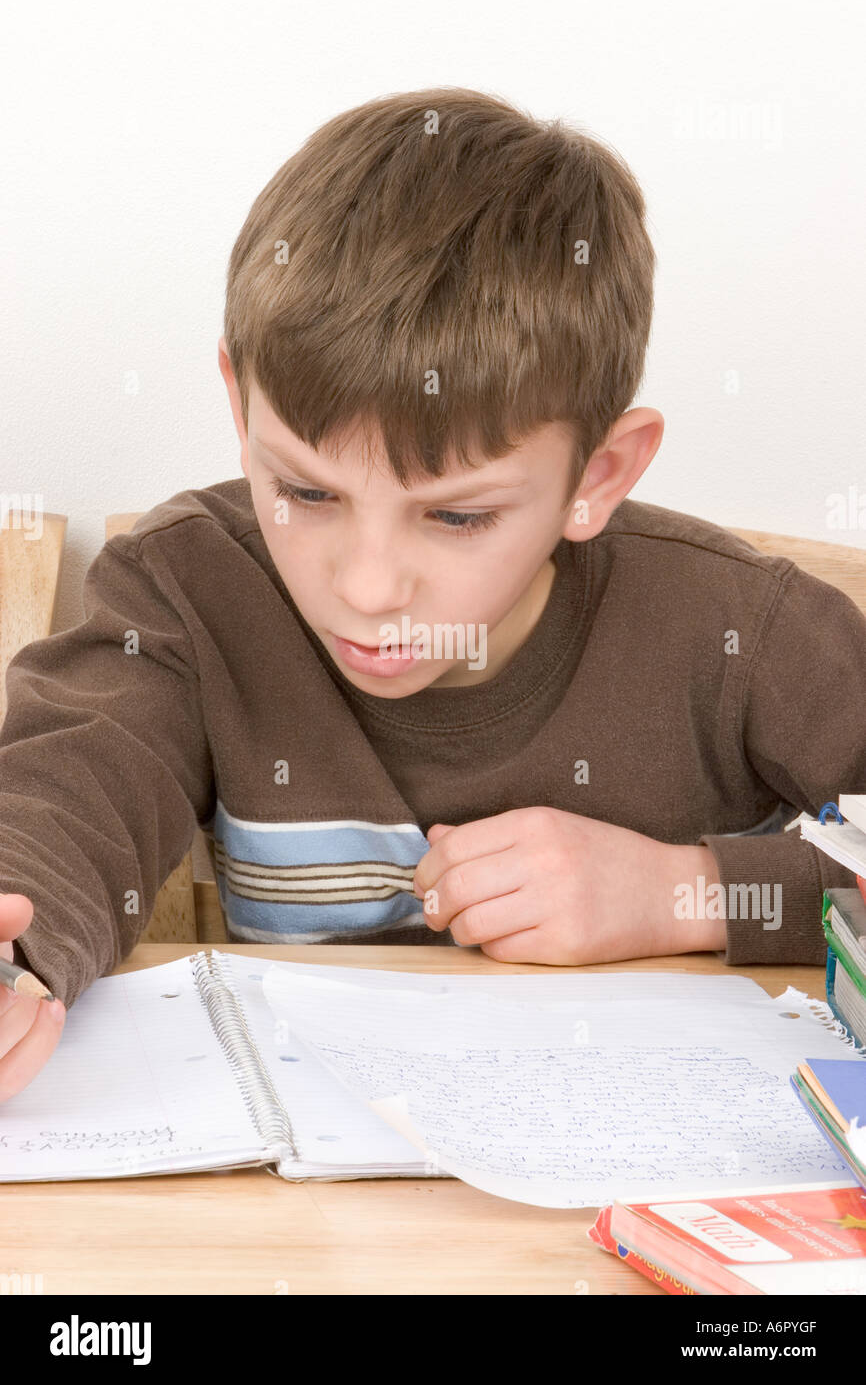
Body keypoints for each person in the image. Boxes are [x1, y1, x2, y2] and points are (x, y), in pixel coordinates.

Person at [2, 86, 865, 1100]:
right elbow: (72, 797)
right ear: (239, 408)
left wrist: (686, 893)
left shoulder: (743, 632)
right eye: (306, 491)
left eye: (456, 518)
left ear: (596, 476)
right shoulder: (188, 588)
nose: (366, 586)